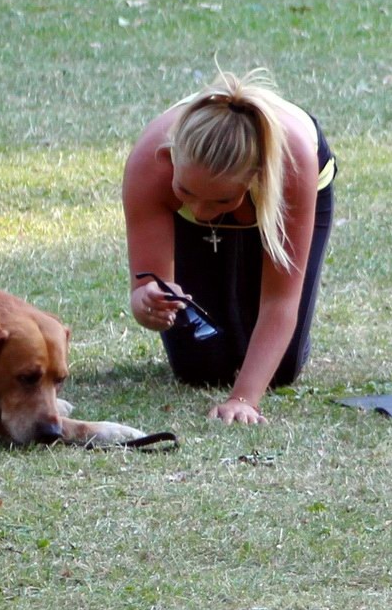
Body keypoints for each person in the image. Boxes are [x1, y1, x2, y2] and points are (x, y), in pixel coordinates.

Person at [123, 70, 336, 423]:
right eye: (188, 194)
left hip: (285, 191)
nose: (203, 212)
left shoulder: (292, 165)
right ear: (174, 160)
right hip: (208, 187)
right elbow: (146, 288)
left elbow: (280, 300)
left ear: (254, 178)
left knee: (279, 369)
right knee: (200, 366)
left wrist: (244, 399)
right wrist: (148, 302)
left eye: (220, 201)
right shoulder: (151, 163)